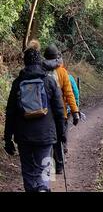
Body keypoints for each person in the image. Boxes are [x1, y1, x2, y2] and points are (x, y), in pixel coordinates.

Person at [3, 46, 65, 192]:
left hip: (23, 136)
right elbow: (59, 111)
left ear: (24, 63)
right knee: (45, 169)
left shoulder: (17, 83)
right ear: (40, 62)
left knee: (28, 171)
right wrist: (62, 134)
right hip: (46, 136)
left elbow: (10, 112)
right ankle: (44, 189)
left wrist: (8, 139)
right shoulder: (49, 81)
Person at [42, 44, 80, 174]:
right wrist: (75, 112)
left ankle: (47, 167)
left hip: (44, 113)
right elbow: (69, 94)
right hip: (60, 112)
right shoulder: (62, 72)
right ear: (57, 57)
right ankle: (59, 166)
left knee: (47, 140)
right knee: (58, 140)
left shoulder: (41, 70)